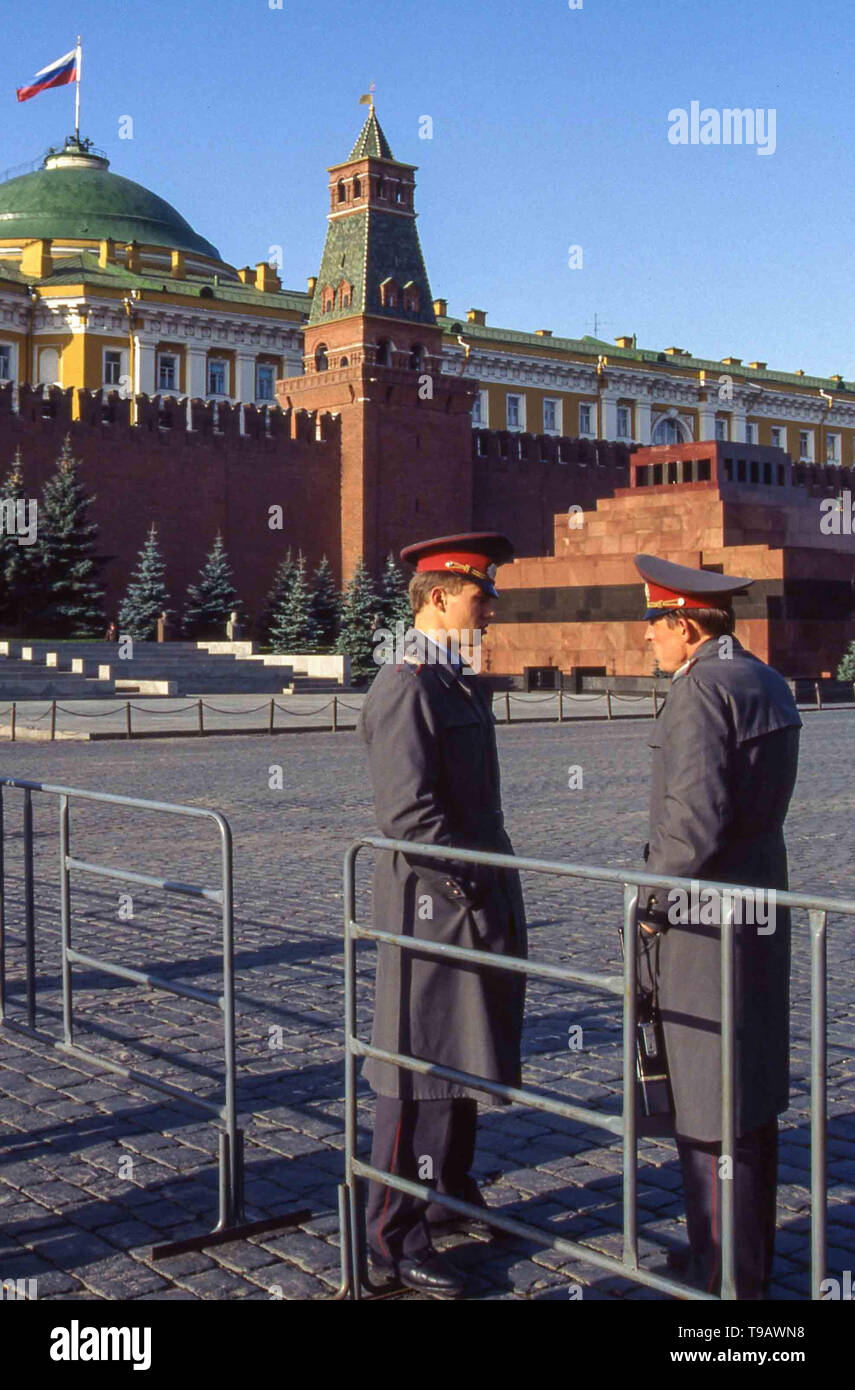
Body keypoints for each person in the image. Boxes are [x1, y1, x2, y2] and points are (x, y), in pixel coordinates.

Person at [358, 532, 527, 1298]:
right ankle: (391, 1239)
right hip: (434, 903)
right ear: (435, 598)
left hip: (470, 897)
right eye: (477, 595)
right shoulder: (407, 683)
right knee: (417, 1063)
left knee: (461, 1052)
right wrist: (467, 882)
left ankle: (450, 1192)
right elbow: (407, 813)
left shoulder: (451, 679)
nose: (488, 608)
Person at [633, 554, 801, 1299]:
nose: (647, 642)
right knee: (747, 1089)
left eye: (653, 627)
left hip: (703, 917)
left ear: (682, 623)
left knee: (707, 1093)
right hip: (759, 899)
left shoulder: (701, 687)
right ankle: (731, 1254)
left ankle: (728, 1277)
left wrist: (649, 903)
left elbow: (692, 823)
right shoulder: (762, 677)